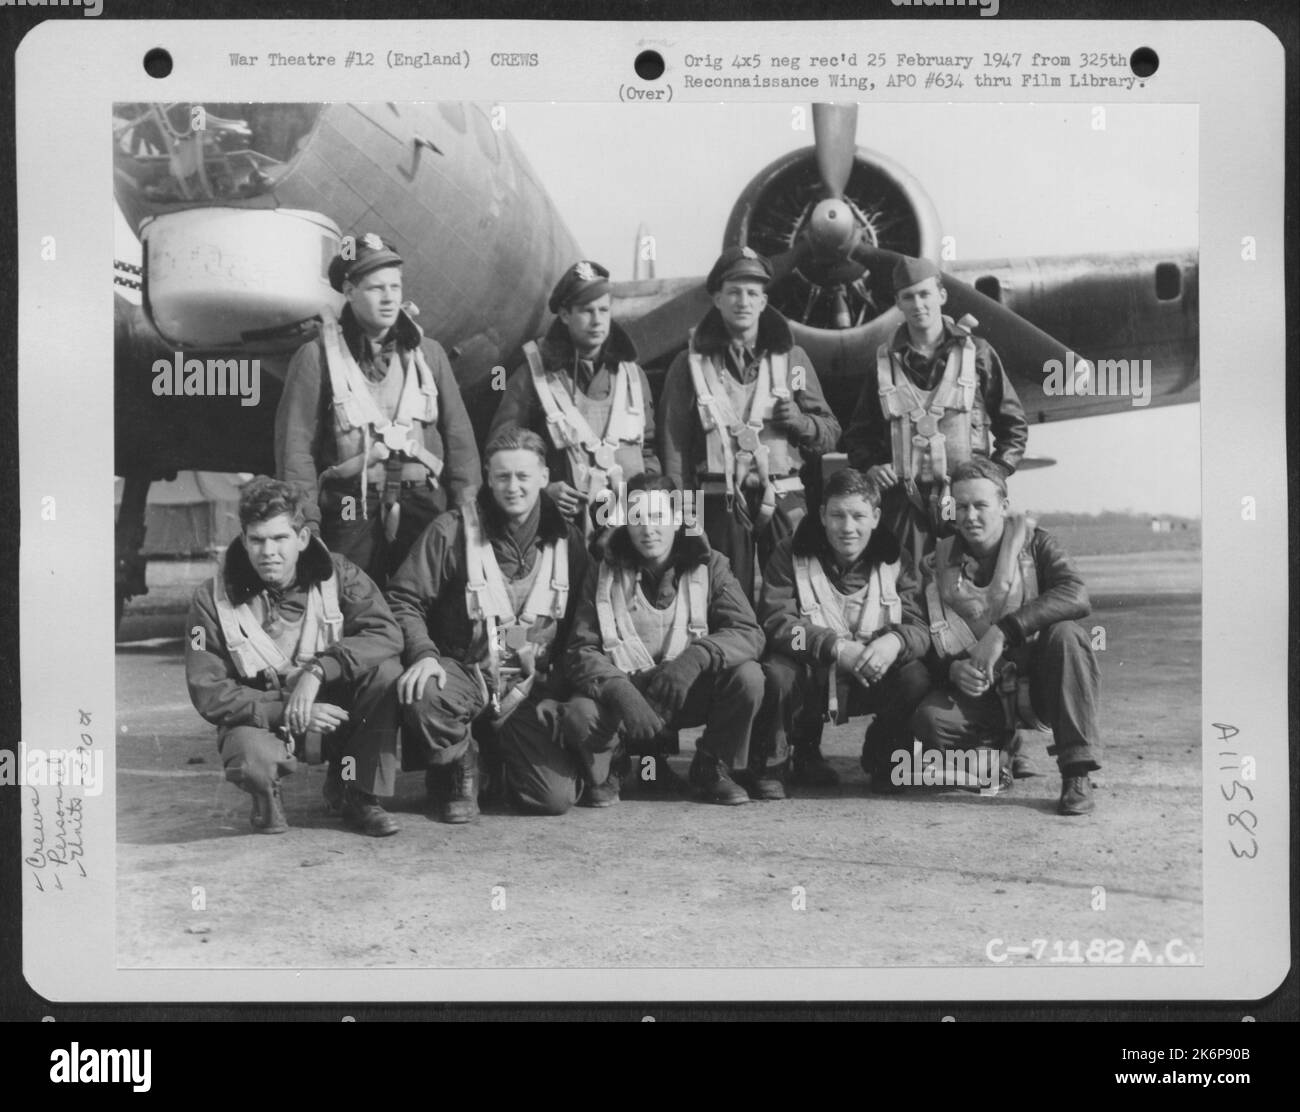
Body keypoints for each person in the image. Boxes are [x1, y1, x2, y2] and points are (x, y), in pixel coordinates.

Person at [384, 430, 589, 820]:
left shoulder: (568, 541)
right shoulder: (452, 530)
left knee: (553, 800)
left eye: (523, 476)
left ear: (544, 477)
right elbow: (403, 599)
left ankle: (500, 757)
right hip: (466, 673)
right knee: (424, 691)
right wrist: (424, 654)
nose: (513, 487)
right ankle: (459, 762)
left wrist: (559, 689)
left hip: (527, 687)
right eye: (503, 477)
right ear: (488, 479)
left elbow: (584, 623)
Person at [185, 476, 405, 837]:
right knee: (255, 761)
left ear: (301, 539)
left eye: (280, 538)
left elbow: (385, 633)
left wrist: (319, 670)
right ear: (243, 539)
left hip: (335, 712)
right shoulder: (210, 600)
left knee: (386, 673)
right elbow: (209, 690)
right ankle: (266, 793)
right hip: (263, 718)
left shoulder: (340, 574)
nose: (268, 551)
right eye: (257, 540)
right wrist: (288, 707)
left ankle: (358, 791)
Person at [275, 232, 480, 586]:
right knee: (351, 607)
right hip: (350, 507)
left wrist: (468, 514)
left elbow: (460, 440)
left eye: (395, 288)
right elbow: (296, 451)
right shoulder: (316, 358)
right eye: (375, 288)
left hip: (425, 506)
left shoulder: (428, 355)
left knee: (426, 611)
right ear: (350, 291)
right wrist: (306, 523)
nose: (388, 299)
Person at [910, 458, 1102, 815]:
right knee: (931, 722)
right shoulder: (938, 562)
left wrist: (1004, 630)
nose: (970, 517)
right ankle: (995, 753)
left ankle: (1076, 770)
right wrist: (951, 670)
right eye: (962, 506)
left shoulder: (1036, 545)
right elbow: (926, 631)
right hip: (983, 690)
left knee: (1067, 635)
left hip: (1040, 682)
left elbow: (1076, 595)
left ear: (1004, 506)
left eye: (981, 505)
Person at [564, 473, 768, 806]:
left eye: (659, 517)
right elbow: (579, 650)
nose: (648, 529)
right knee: (579, 712)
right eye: (638, 518)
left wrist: (696, 659)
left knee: (749, 678)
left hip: (684, 688)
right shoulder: (602, 569)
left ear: (678, 519)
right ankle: (611, 766)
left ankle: (710, 767)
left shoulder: (711, 565)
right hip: (626, 691)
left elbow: (749, 633)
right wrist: (620, 692)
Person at [659, 245, 841, 606]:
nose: (743, 301)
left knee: (795, 597)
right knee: (725, 600)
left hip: (784, 498)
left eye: (752, 293)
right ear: (717, 299)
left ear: (763, 301)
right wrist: (686, 519)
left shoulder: (795, 361)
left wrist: (800, 422)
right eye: (734, 292)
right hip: (717, 504)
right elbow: (673, 445)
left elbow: (830, 431)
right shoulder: (688, 365)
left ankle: (787, 661)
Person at [757, 468, 933, 794]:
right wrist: (834, 648)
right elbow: (777, 621)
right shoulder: (788, 552)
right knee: (777, 673)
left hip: (871, 673)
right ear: (822, 515)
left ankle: (886, 753)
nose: (848, 527)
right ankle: (781, 760)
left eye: (858, 516)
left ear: (876, 517)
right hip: (815, 672)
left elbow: (921, 626)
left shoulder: (899, 559)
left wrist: (894, 642)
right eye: (837, 515)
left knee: (916, 676)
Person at [841, 256, 1028, 563]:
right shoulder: (882, 365)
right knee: (908, 586)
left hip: (965, 500)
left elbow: (1014, 424)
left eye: (925, 294)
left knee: (970, 583)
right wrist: (872, 467)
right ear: (898, 303)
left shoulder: (978, 354)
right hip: (905, 501)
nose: (918, 304)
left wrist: (996, 472)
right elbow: (859, 436)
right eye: (908, 297)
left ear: (942, 295)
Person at [488, 260, 660, 540]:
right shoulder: (532, 377)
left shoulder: (634, 376)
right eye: (586, 311)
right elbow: (501, 451)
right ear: (566, 315)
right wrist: (543, 490)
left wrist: (648, 498)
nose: (597, 320)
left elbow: (649, 451)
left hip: (629, 530)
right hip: (562, 530)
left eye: (603, 310)